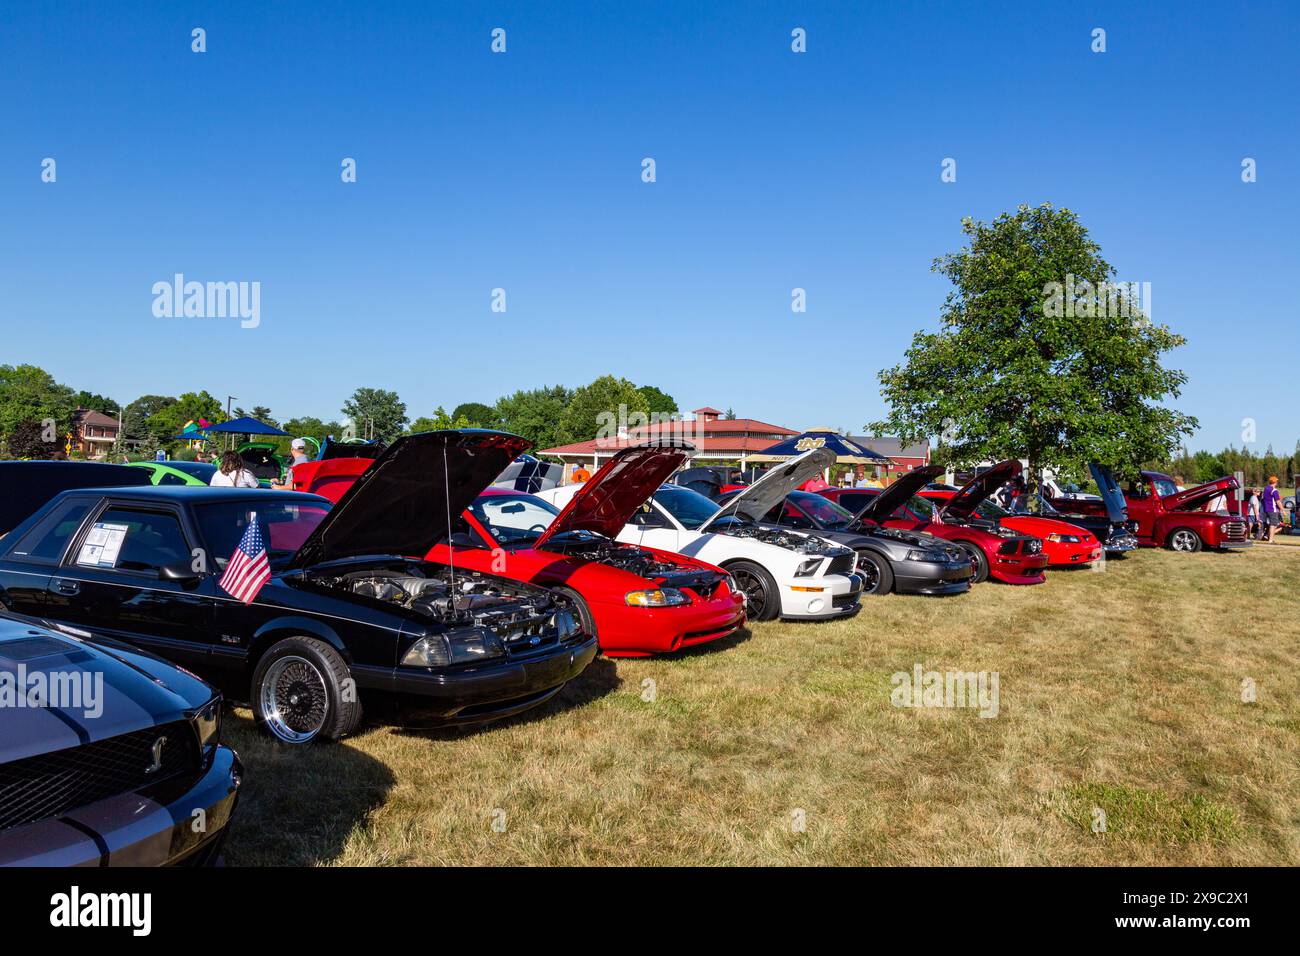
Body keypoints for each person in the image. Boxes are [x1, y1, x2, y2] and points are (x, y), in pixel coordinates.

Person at [1260, 476, 1282, 542]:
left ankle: (1268, 536)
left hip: (1266, 509)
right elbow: (1278, 501)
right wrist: (1282, 509)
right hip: (1272, 509)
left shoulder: (1265, 488)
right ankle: (1270, 539)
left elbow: (1262, 499)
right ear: (1275, 482)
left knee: (1272, 524)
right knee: (1273, 525)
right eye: (1276, 481)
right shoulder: (1274, 490)